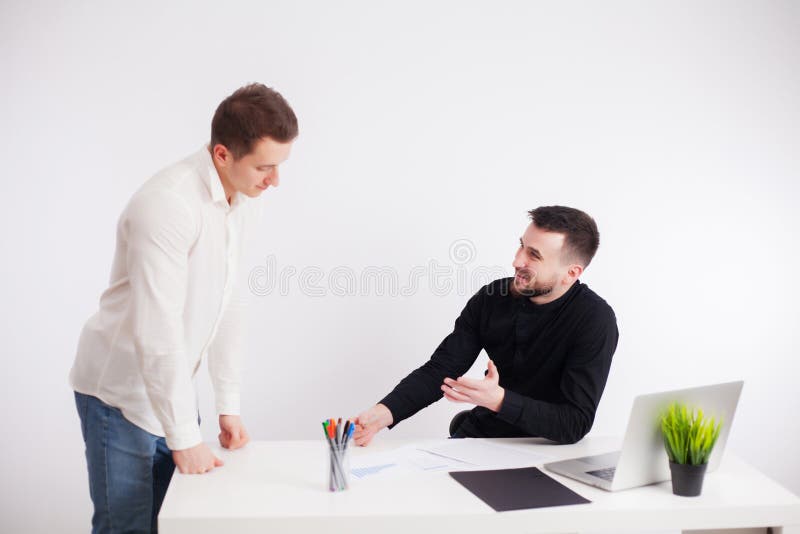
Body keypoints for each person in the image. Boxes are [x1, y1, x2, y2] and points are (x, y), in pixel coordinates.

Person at [69, 83, 298, 533]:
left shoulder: (241, 201)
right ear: (222, 155)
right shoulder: (168, 205)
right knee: (129, 528)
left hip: (171, 391)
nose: (275, 181)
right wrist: (185, 437)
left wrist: (227, 404)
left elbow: (230, 301)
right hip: (121, 397)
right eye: (265, 167)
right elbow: (157, 332)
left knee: (175, 523)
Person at [353, 206, 618, 446]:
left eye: (534, 255)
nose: (517, 261)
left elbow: (575, 422)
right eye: (521, 246)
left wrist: (499, 400)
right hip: (479, 440)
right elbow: (441, 370)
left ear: (571, 273)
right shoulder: (492, 297)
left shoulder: (595, 320)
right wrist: (383, 413)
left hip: (547, 451)